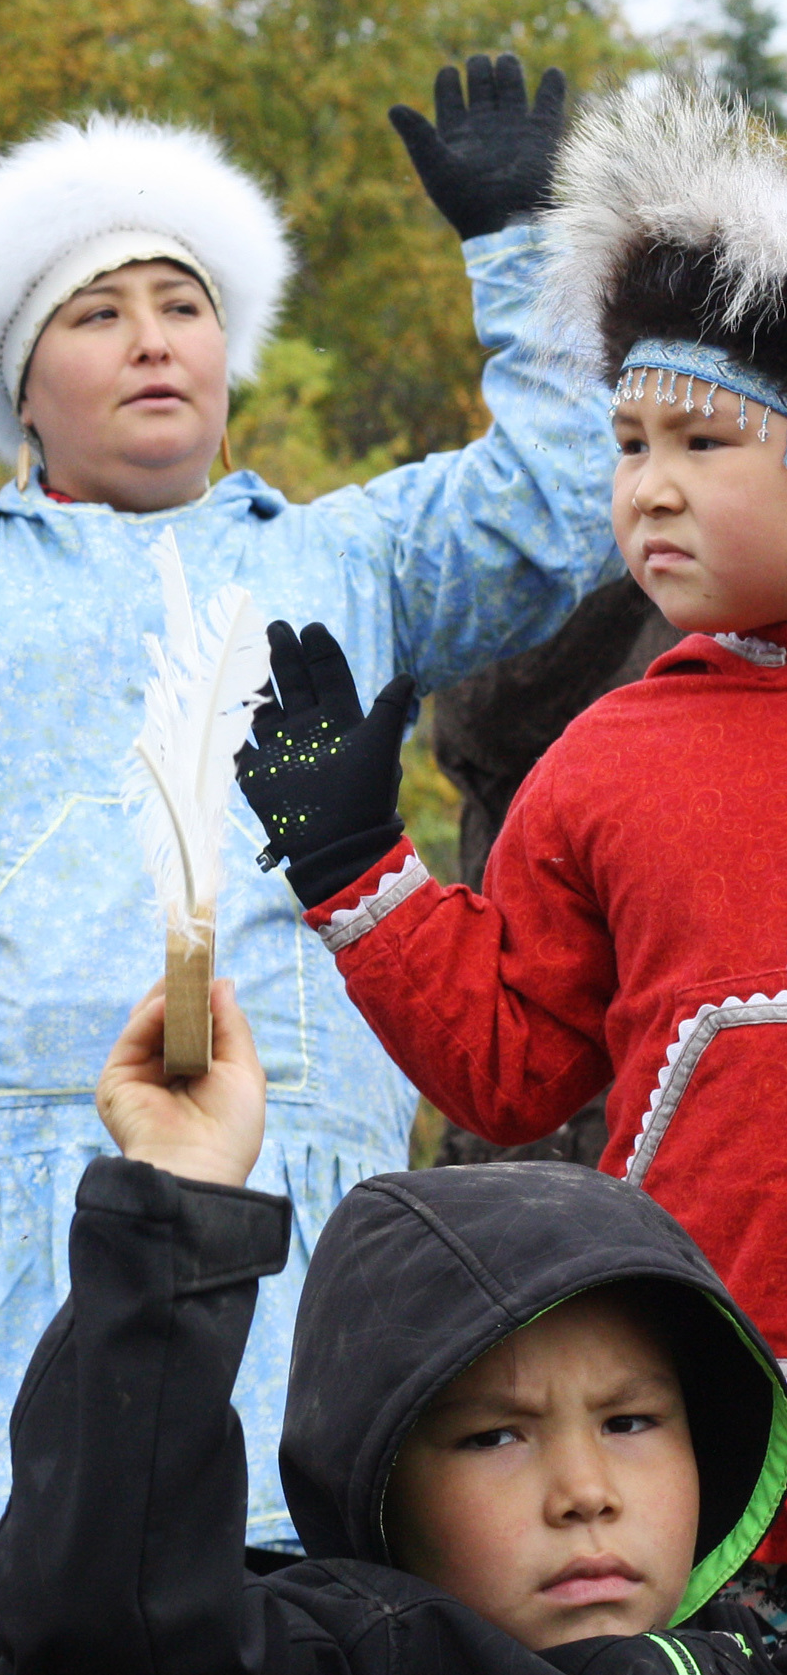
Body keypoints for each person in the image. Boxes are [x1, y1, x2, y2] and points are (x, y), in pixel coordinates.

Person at [0, 0, 623, 1663]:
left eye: (181, 304)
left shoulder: (355, 555)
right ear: (19, 382)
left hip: (302, 1237)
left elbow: (565, 496)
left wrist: (523, 255)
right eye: (95, 313)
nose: (152, 337)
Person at [235, 82, 787, 1612]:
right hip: (711, 1424)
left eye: (703, 440)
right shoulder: (606, 760)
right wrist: (349, 859)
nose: (648, 486)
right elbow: (509, 1064)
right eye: (627, 442)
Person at [0, 977, 787, 1671]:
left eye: (629, 1421)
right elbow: (113, 1626)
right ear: (375, 1478)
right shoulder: (355, 1652)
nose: (584, 1493)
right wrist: (176, 1211)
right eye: (494, 1435)